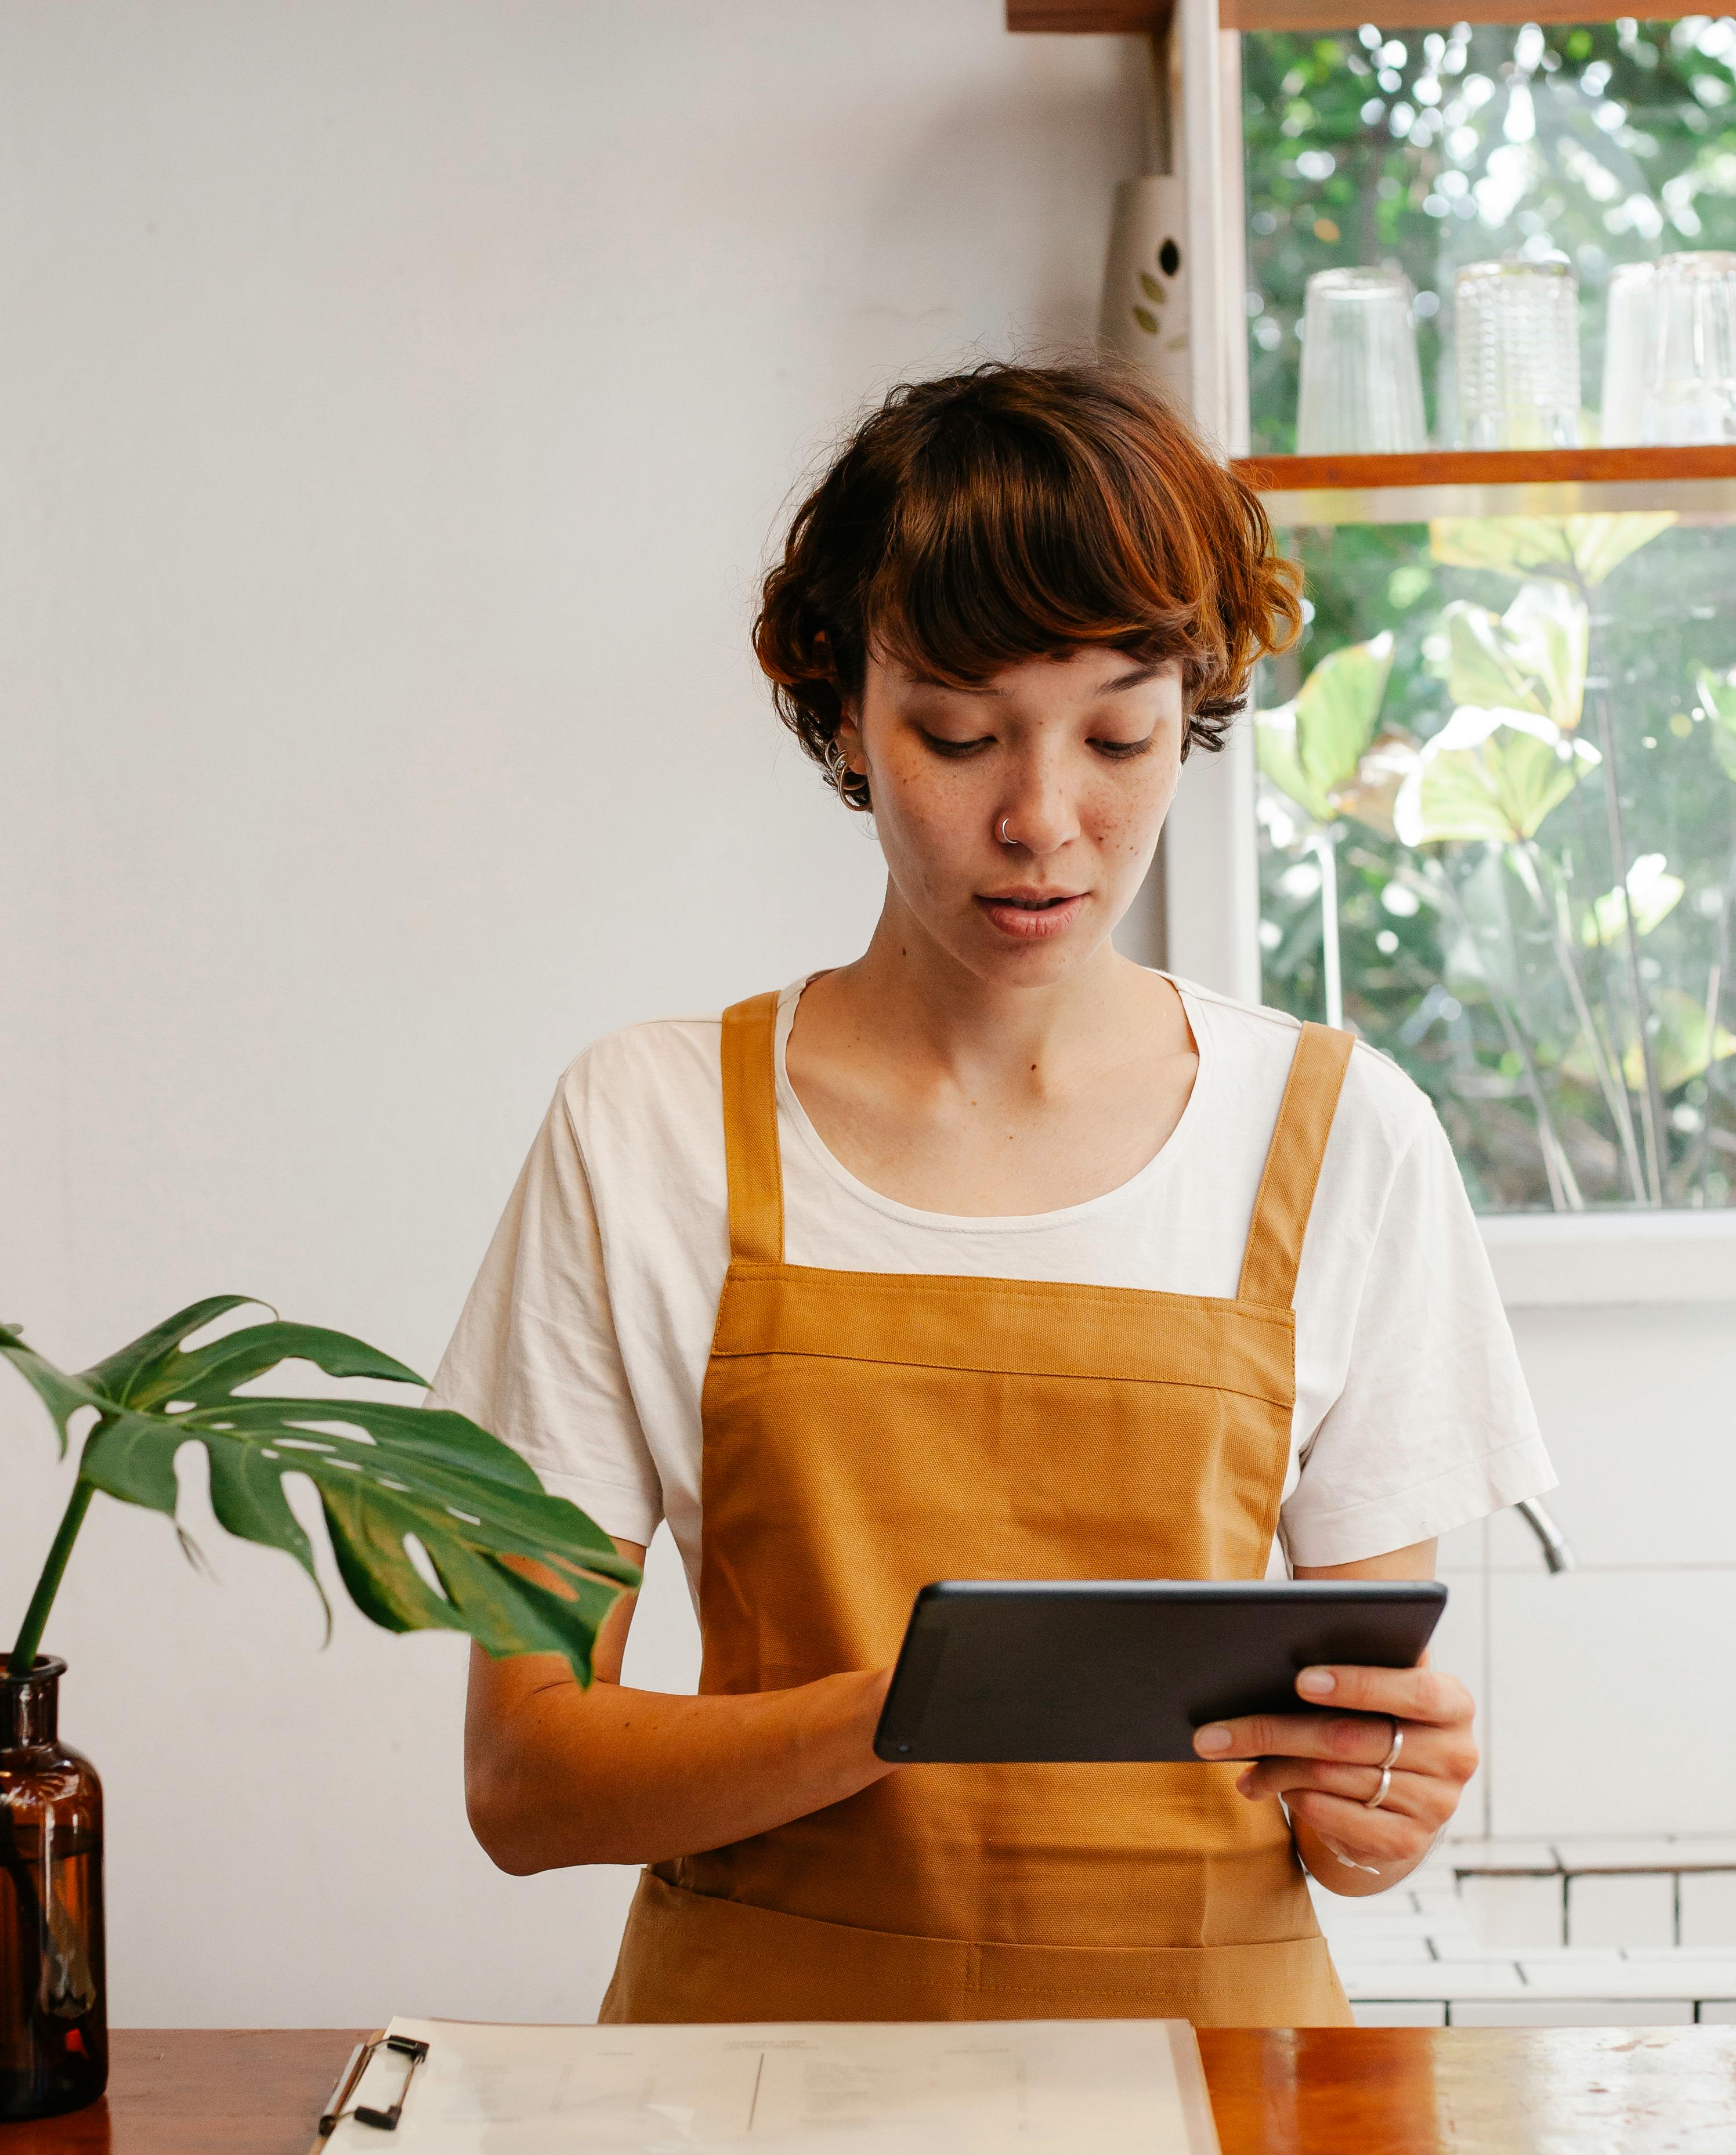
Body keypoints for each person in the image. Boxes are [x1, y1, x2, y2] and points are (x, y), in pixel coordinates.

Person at [435, 359, 1553, 2027]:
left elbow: (1345, 1816)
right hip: (751, 2116)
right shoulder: (646, 1128)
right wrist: (914, 1708)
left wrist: (1383, 1801)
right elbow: (528, 1776)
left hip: (1215, 2118)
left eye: (1120, 735)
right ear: (842, 708)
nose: (1044, 820)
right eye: (959, 735)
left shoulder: (1337, 1140)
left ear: (1199, 712)